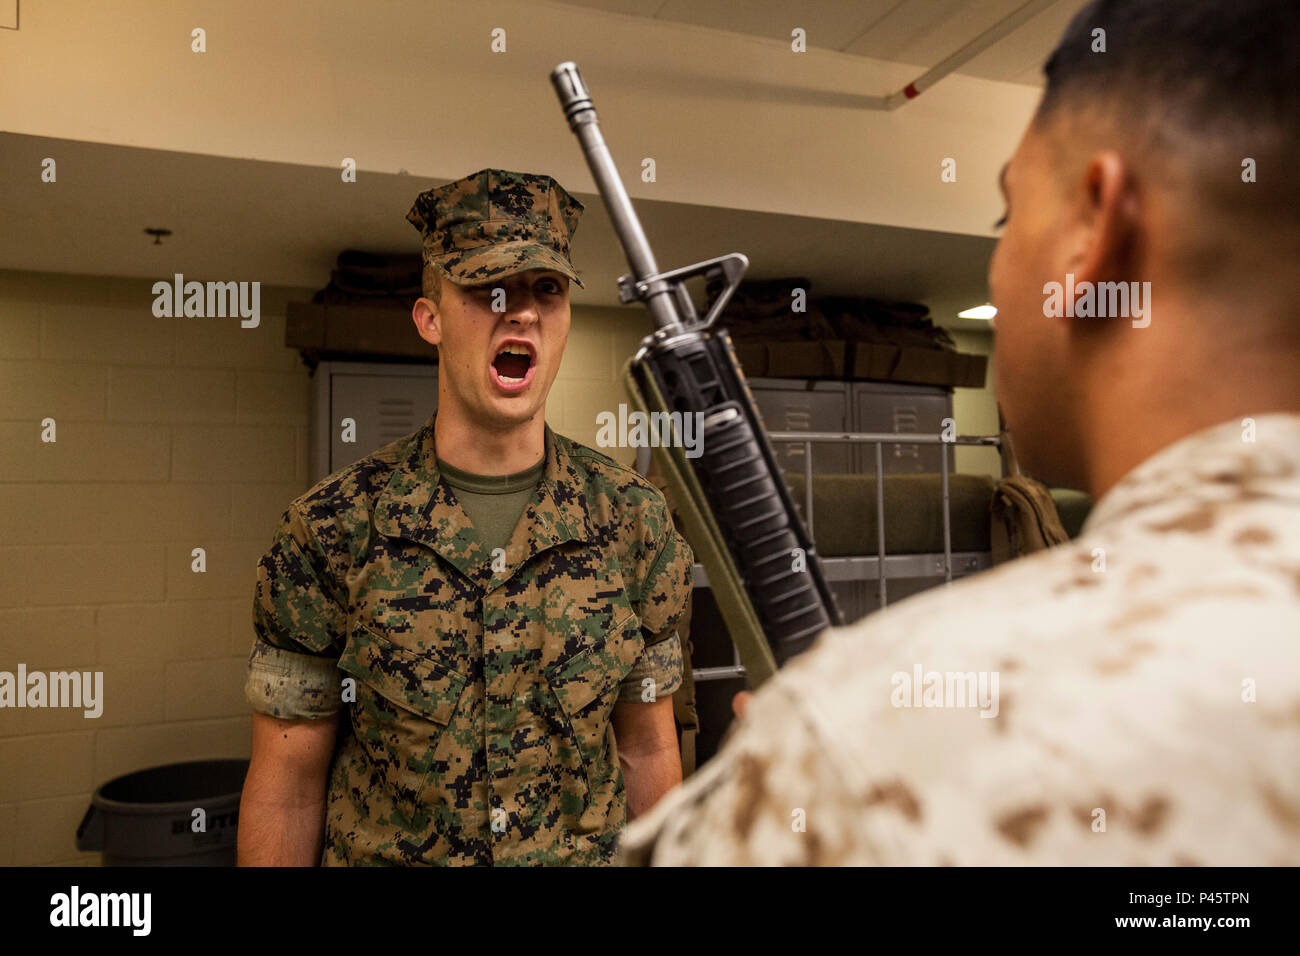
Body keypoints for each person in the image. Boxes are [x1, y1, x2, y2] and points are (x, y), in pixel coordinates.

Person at [621, 0, 1300, 865]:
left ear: (1094, 228)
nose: (998, 263)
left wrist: (816, 761)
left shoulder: (867, 740)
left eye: (1006, 217)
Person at [238, 168, 693, 865]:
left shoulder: (633, 522)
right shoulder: (331, 529)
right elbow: (288, 787)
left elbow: (647, 747)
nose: (523, 312)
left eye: (548, 289)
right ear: (430, 319)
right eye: (489, 289)